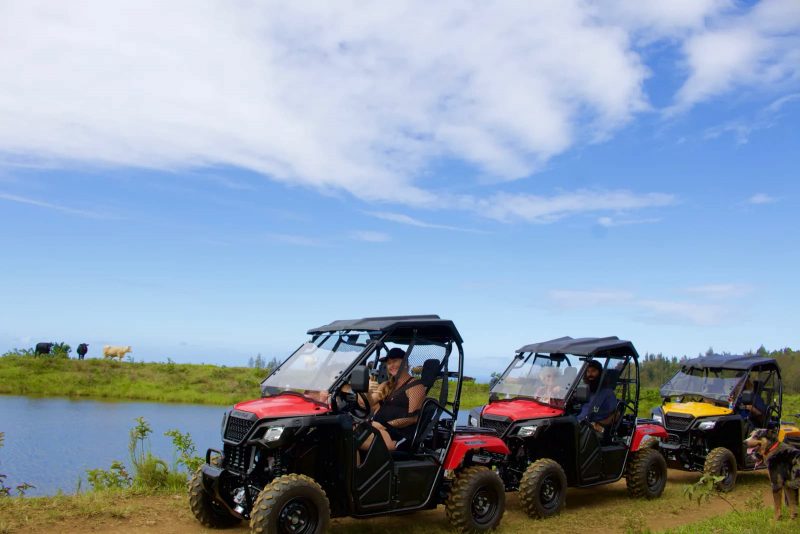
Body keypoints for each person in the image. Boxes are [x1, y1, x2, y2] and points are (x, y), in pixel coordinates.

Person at [359, 347, 427, 452]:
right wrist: (367, 391)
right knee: (347, 437)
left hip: (397, 435)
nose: (391, 365)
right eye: (389, 363)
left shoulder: (416, 386)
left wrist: (384, 425)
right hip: (378, 428)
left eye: (395, 361)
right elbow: (369, 403)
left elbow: (413, 419)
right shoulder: (386, 385)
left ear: (404, 363)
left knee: (352, 440)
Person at [577, 360, 617, 433]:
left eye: (593, 371)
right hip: (579, 424)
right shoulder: (585, 389)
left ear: (600, 373)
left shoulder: (607, 393)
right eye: (588, 371)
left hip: (593, 430)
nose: (590, 374)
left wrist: (599, 424)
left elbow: (615, 414)